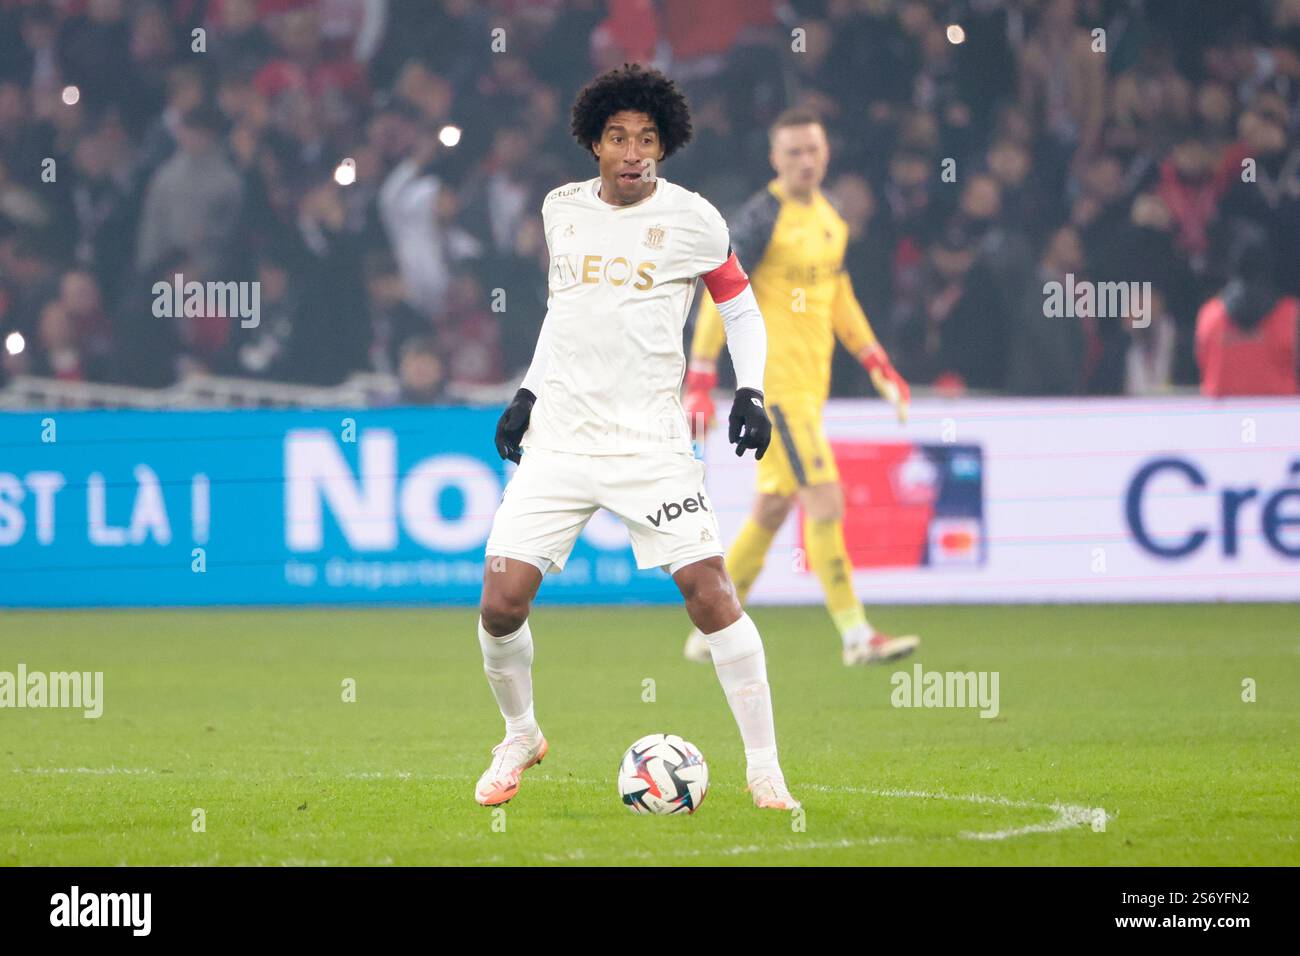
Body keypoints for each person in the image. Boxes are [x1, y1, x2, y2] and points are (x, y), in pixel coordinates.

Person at [475, 65, 799, 812]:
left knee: (711, 595)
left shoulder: (695, 220)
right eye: (618, 137)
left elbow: (741, 310)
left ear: (665, 146)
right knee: (500, 604)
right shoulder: (561, 209)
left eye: (647, 138)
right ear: (594, 143)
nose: (632, 151)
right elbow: (568, 311)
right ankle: (520, 734)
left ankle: (763, 767)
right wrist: (527, 391)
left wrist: (751, 390)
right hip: (561, 440)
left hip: (651, 443)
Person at [681, 109, 920, 667]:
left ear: (826, 152)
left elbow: (838, 296)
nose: (805, 161)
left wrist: (875, 358)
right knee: (825, 499)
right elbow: (724, 292)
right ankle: (857, 635)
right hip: (775, 390)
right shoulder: (761, 218)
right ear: (774, 158)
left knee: (770, 509)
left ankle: (708, 630)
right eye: (793, 153)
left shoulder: (833, 215)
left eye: (812, 150)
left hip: (812, 389)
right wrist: (701, 374)